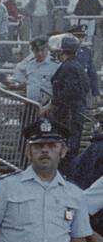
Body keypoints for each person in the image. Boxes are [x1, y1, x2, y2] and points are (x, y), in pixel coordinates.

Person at [48, 34, 90, 169]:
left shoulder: (69, 67)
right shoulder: (74, 66)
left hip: (69, 115)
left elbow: (69, 92)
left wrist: (52, 104)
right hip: (71, 114)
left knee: (68, 149)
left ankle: (67, 174)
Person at [5, 36, 57, 104]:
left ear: (47, 49)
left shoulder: (55, 65)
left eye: (42, 50)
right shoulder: (29, 64)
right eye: (37, 51)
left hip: (47, 106)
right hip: (30, 103)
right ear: (32, 51)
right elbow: (21, 78)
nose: (40, 54)